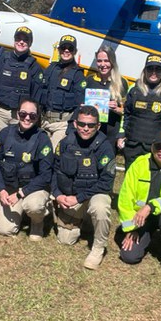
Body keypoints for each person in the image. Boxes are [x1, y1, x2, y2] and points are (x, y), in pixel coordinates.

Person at [115, 131, 161, 281]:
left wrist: (150, 206)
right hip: (140, 218)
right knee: (129, 256)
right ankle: (146, 237)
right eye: (159, 147)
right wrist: (132, 228)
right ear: (152, 147)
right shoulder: (139, 164)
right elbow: (125, 197)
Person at [52, 105, 116, 270]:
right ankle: (83, 221)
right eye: (82, 124)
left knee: (100, 207)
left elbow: (106, 183)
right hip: (71, 196)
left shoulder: (105, 147)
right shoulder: (65, 143)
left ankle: (98, 248)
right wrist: (58, 195)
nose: (85, 128)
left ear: (98, 126)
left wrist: (79, 198)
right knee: (65, 240)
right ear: (75, 124)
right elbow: (54, 172)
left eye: (91, 125)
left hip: (93, 194)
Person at [0, 98, 53, 240]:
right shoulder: (4, 134)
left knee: (34, 206)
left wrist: (21, 194)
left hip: (33, 189)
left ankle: (37, 221)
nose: (27, 118)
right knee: (6, 230)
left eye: (33, 115)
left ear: (37, 118)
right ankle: (21, 211)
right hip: (10, 188)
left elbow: (45, 176)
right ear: (17, 114)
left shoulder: (43, 139)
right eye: (23, 114)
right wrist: (2, 189)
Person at [117, 54, 161, 169]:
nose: (153, 72)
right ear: (144, 70)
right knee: (131, 180)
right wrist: (121, 135)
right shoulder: (134, 90)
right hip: (132, 145)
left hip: (154, 147)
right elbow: (126, 115)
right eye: (150, 69)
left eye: (158, 69)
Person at [0, 26, 44, 136]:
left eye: (25, 40)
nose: (21, 42)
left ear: (30, 43)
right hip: (0, 114)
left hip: (21, 117)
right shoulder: (1, 60)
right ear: (14, 40)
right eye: (18, 39)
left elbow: (36, 99)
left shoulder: (35, 67)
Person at [40, 34, 87, 148]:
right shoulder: (50, 69)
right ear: (59, 50)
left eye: (70, 48)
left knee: (51, 153)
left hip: (62, 124)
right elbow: (40, 92)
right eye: (63, 48)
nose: (66, 51)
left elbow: (79, 105)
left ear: (74, 51)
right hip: (44, 121)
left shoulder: (78, 75)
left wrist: (71, 127)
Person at [85, 44, 128, 144]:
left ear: (112, 62)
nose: (103, 64)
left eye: (106, 60)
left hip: (112, 132)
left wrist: (116, 109)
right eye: (99, 61)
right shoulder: (89, 80)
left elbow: (128, 112)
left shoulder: (122, 82)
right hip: (91, 131)